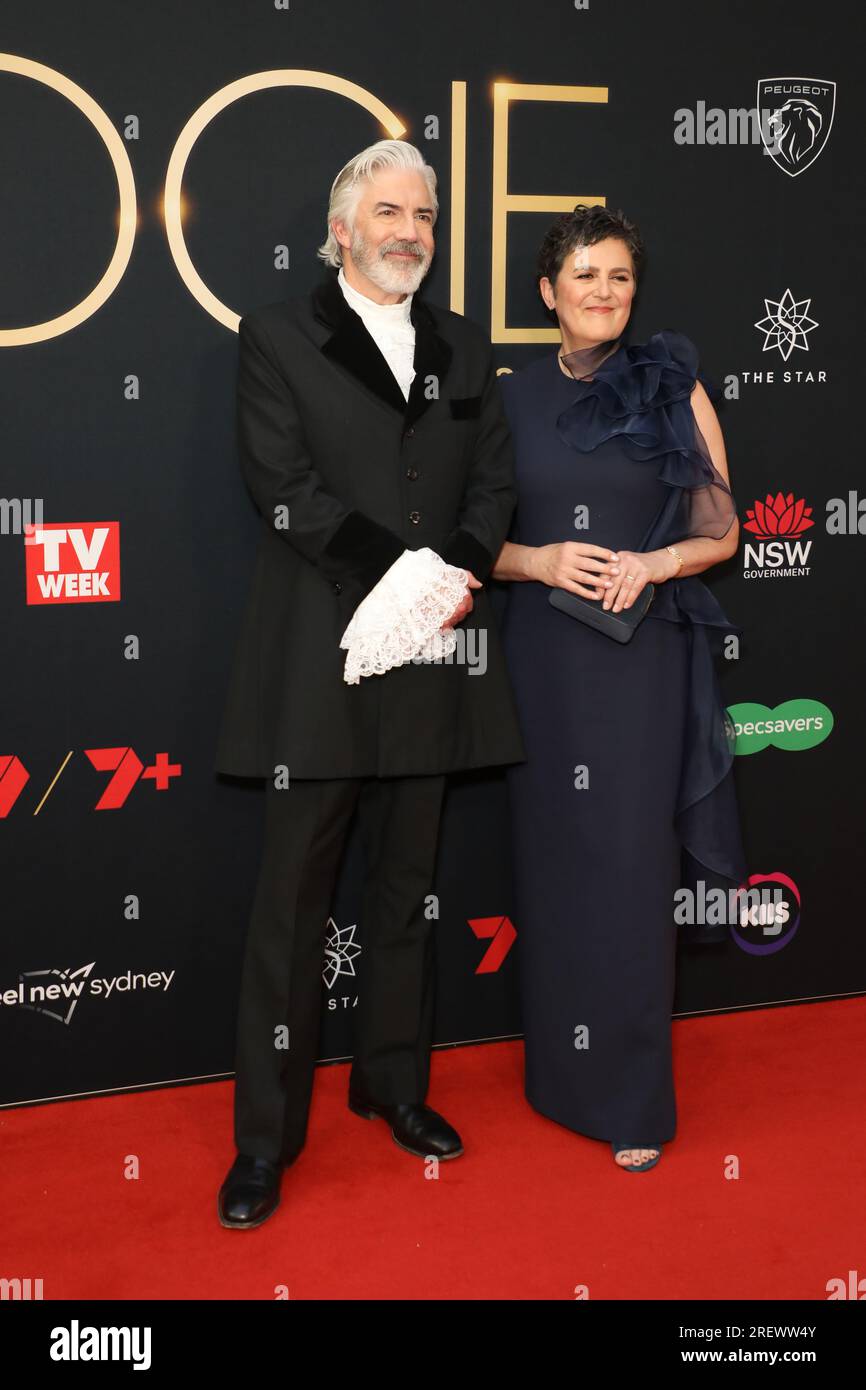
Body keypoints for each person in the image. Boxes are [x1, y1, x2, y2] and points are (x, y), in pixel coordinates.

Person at [213, 139, 525, 1228]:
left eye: (425, 215)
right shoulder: (277, 337)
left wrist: (458, 569)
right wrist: (394, 575)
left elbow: (491, 482)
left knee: (407, 892)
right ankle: (265, 1140)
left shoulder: (462, 348)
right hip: (319, 669)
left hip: (431, 660)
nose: (409, 231)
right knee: (291, 910)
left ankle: (394, 1085)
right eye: (388, 211)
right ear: (341, 227)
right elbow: (281, 488)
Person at [494, 204, 746, 1173]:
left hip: (638, 661)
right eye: (583, 275)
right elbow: (477, 545)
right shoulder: (507, 396)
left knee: (631, 876)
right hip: (541, 663)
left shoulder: (673, 386)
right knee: (554, 866)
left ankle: (632, 1096)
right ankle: (560, 1076)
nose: (601, 292)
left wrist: (656, 567)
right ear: (546, 291)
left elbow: (720, 532)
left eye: (618, 277)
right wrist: (540, 560)